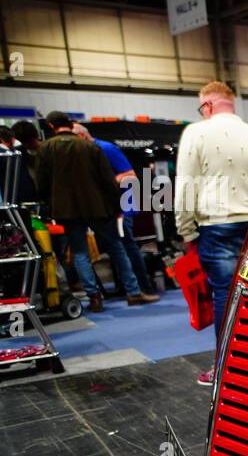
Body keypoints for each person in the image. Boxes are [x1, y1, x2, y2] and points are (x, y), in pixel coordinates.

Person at [174, 80, 248, 386]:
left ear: (207, 106)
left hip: (217, 224)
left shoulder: (196, 133)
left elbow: (186, 185)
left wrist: (186, 230)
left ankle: (225, 371)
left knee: (226, 296)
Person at [33, 111, 159, 312]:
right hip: (98, 207)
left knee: (80, 252)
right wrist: (118, 207)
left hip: (67, 211)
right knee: (117, 248)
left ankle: (94, 298)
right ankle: (133, 292)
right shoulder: (90, 147)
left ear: (50, 127)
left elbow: (41, 183)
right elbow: (107, 181)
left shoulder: (46, 149)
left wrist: (50, 206)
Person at [73, 123, 152, 296]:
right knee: (117, 247)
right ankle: (128, 286)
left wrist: (105, 181)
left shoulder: (106, 148)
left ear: (82, 137)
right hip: (109, 207)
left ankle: (143, 285)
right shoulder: (89, 152)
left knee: (127, 245)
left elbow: (130, 175)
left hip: (124, 205)